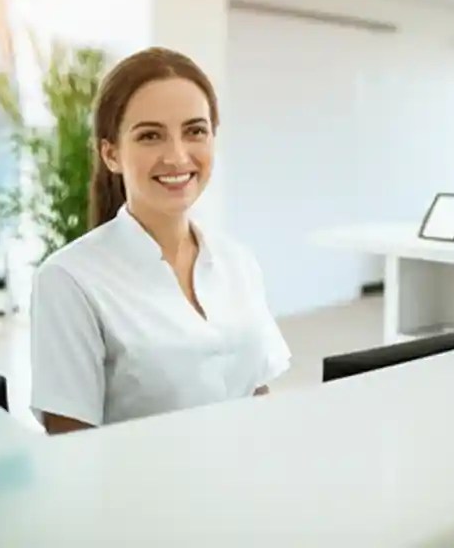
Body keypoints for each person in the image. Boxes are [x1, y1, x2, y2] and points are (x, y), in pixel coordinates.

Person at [29, 47, 290, 434]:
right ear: (111, 154)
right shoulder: (70, 280)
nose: (177, 155)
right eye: (151, 136)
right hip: (141, 492)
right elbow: (71, 443)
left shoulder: (239, 262)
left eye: (195, 131)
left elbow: (256, 390)